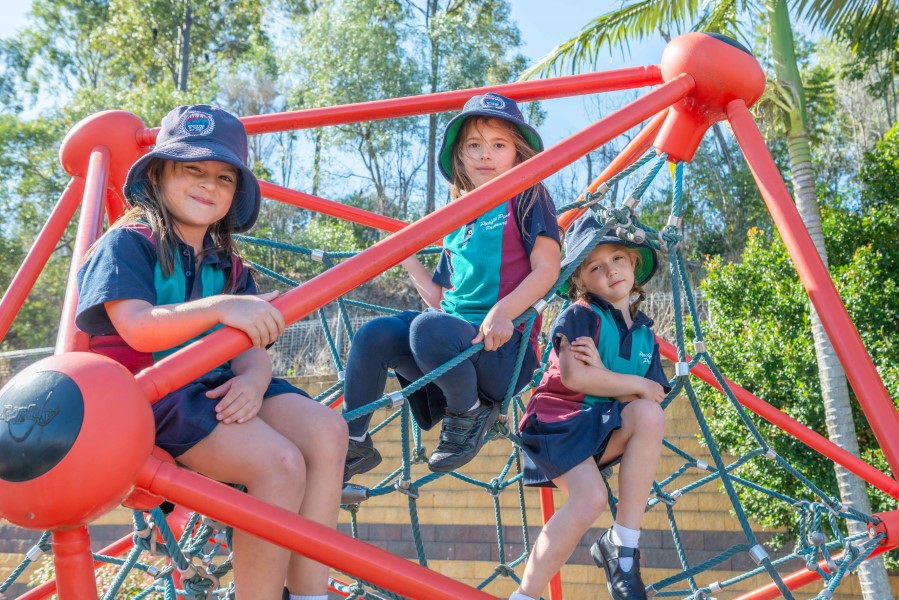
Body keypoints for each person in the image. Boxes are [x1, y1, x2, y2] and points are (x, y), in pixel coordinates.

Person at [75, 105, 348, 600]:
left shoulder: (229, 265)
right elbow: (138, 328)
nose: (209, 185)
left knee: (328, 430)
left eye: (224, 177)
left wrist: (253, 381)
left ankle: (310, 593)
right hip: (151, 395)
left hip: (217, 384)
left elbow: (252, 347)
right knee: (279, 464)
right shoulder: (127, 245)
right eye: (192, 169)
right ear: (156, 175)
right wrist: (222, 307)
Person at [342, 92, 561, 479]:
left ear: (517, 153)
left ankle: (469, 415)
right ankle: (353, 442)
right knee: (374, 334)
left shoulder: (528, 196)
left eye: (499, 145)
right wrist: (405, 256)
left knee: (428, 328)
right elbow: (441, 299)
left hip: (502, 349)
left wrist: (503, 312)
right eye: (474, 145)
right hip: (453, 345)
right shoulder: (457, 217)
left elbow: (547, 269)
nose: (485, 155)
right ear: (459, 156)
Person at [510, 211, 670, 600]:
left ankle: (623, 545)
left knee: (650, 415)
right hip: (559, 425)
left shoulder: (646, 335)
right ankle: (526, 594)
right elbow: (575, 377)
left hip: (601, 426)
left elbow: (652, 397)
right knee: (591, 498)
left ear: (633, 262)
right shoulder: (581, 315)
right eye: (595, 267)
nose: (610, 270)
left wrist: (606, 375)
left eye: (617, 259)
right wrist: (629, 383)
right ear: (580, 280)